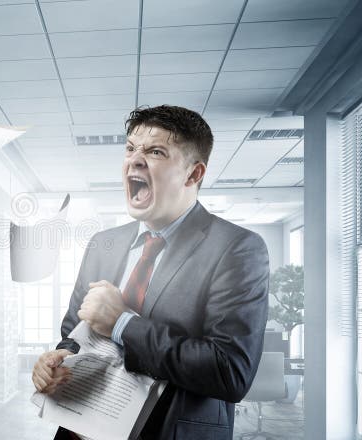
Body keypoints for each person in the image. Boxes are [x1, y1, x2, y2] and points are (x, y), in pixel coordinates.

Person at [32, 105, 270, 440]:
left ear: (193, 174)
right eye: (130, 149)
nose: (135, 159)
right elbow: (74, 335)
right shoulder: (104, 243)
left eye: (156, 151)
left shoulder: (237, 248)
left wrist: (121, 323)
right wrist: (57, 362)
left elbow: (229, 372)